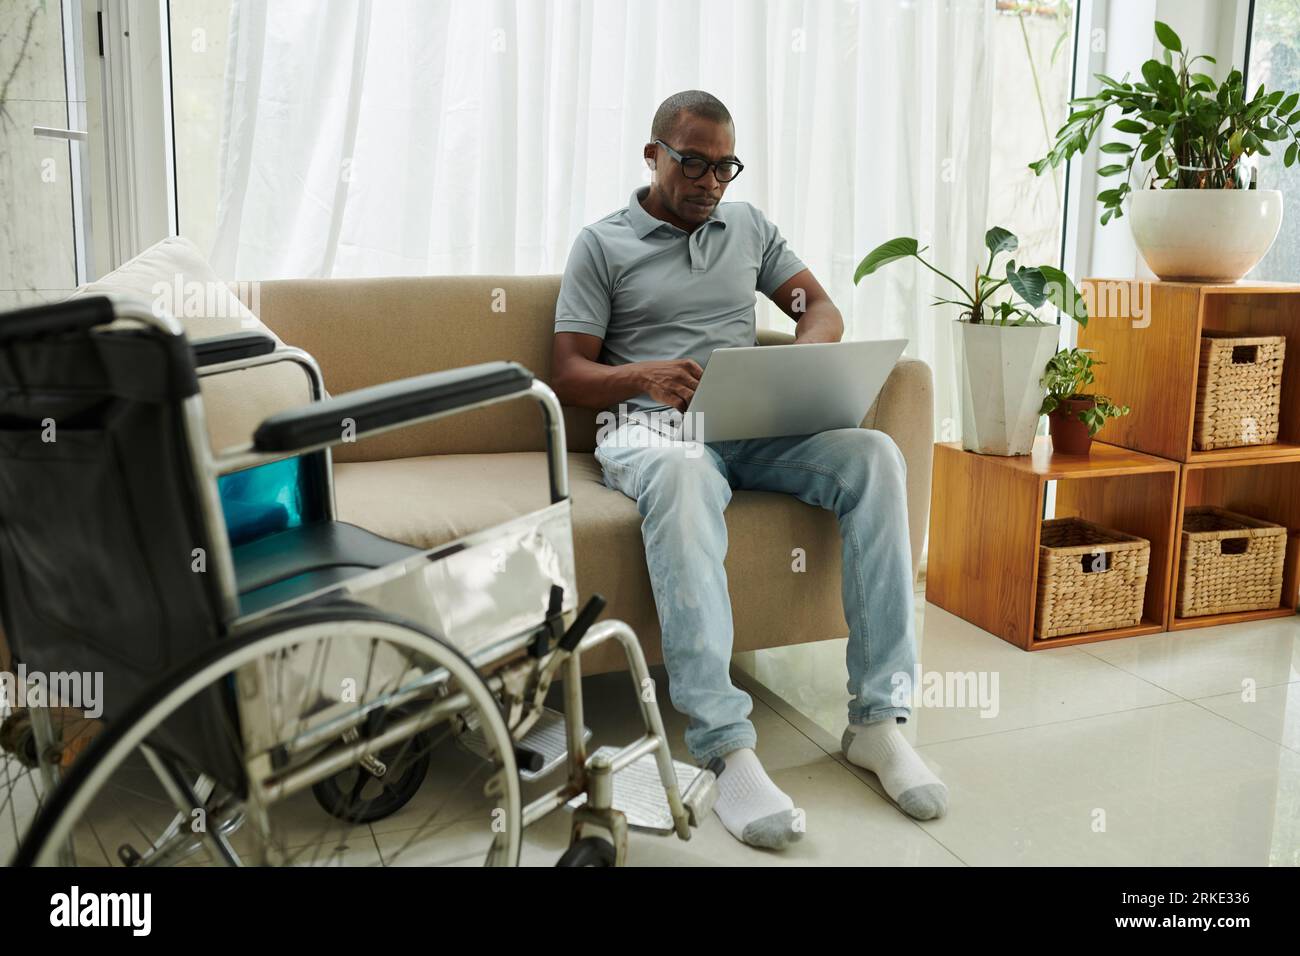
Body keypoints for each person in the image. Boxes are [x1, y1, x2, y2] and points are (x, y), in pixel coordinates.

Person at [550, 90, 947, 850]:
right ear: (653, 155)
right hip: (651, 429)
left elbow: (820, 308)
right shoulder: (602, 244)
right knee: (684, 474)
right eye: (691, 162)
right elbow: (566, 370)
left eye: (723, 166)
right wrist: (643, 377)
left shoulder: (750, 229)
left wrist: (801, 361)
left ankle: (879, 721)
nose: (708, 182)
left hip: (750, 424)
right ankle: (725, 749)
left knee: (874, 455)